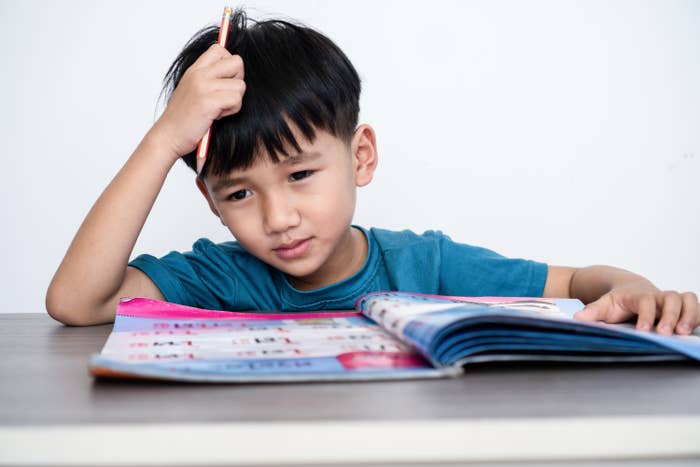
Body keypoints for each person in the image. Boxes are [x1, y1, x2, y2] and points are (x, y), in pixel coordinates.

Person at [46, 9, 699, 335]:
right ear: (210, 200)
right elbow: (77, 301)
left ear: (360, 156)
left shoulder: (426, 263)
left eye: (300, 174)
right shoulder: (220, 276)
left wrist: (633, 286)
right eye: (240, 192)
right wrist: (165, 140)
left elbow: (580, 280)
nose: (279, 218)